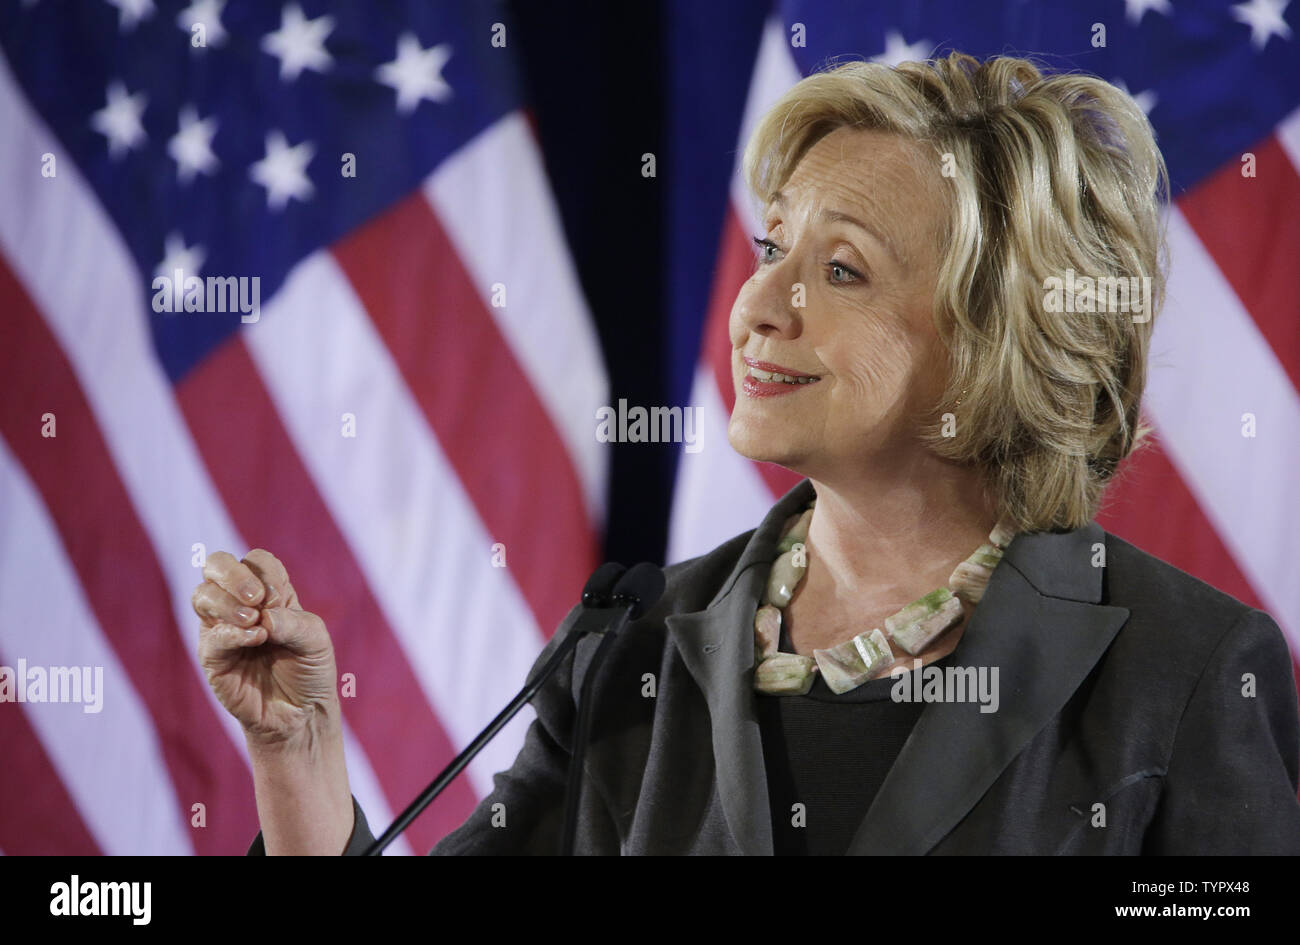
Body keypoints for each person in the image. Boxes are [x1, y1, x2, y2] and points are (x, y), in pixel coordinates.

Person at [195, 51, 1300, 854]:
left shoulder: (1185, 672)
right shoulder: (632, 649)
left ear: (990, 340)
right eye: (774, 249)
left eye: (844, 269)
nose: (759, 303)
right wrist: (297, 752)